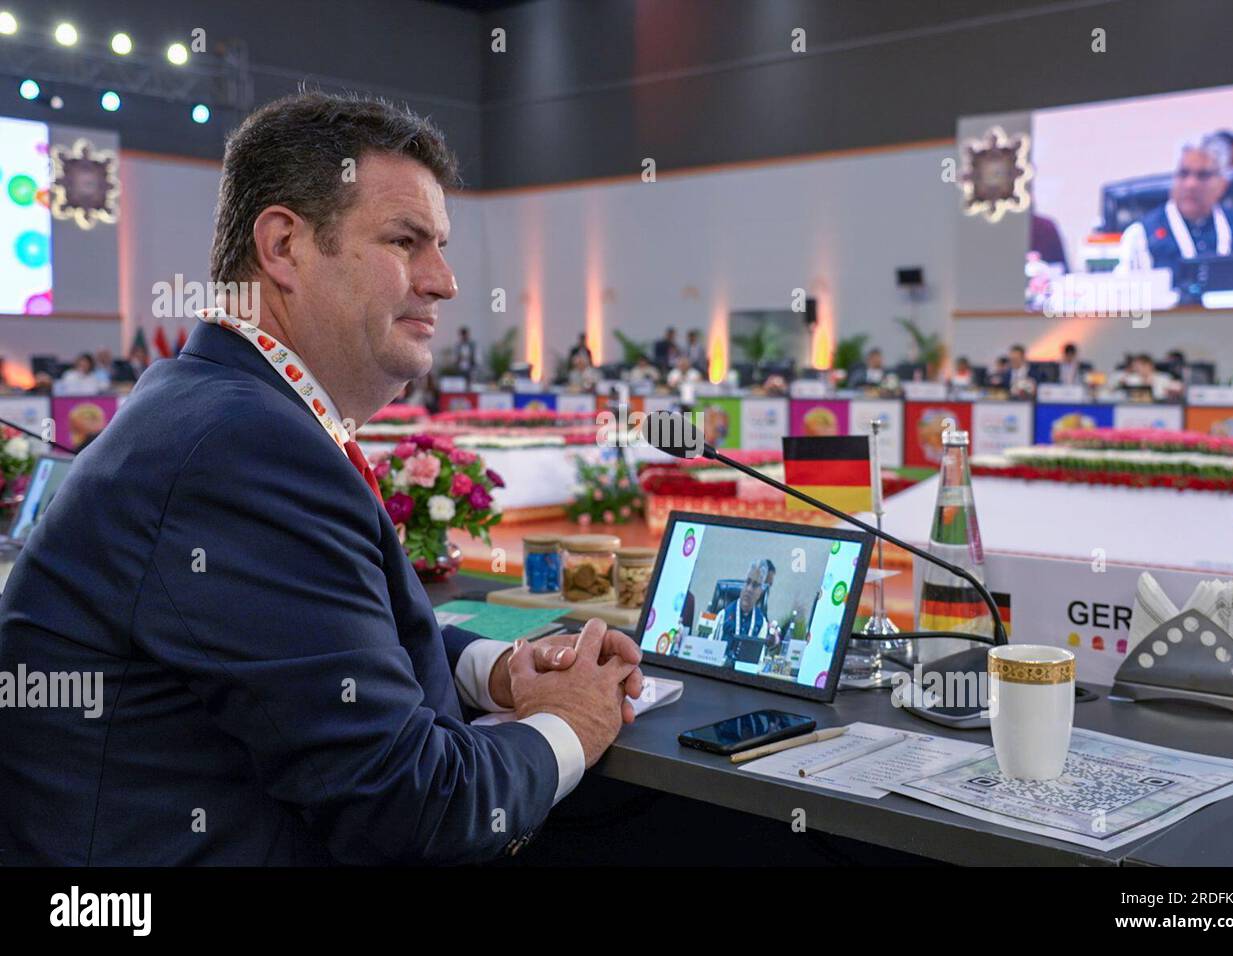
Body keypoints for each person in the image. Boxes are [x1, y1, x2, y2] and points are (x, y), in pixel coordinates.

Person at [0, 92, 645, 866]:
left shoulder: (208, 399)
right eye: (407, 241)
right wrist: (573, 722)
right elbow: (418, 812)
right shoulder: (245, 444)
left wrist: (499, 669)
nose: (444, 281)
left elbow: (312, 654)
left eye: (439, 245)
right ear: (283, 246)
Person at [1116, 135, 1233, 293]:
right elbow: (1128, 302)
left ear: (1222, 184)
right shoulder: (1140, 235)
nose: (1190, 184)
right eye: (1183, 174)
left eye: (1202, 175)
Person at [717, 560, 770, 667]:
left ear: (760, 592)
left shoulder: (762, 623)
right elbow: (710, 654)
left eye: (755, 585)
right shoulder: (723, 615)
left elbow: (758, 663)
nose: (749, 589)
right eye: (748, 582)